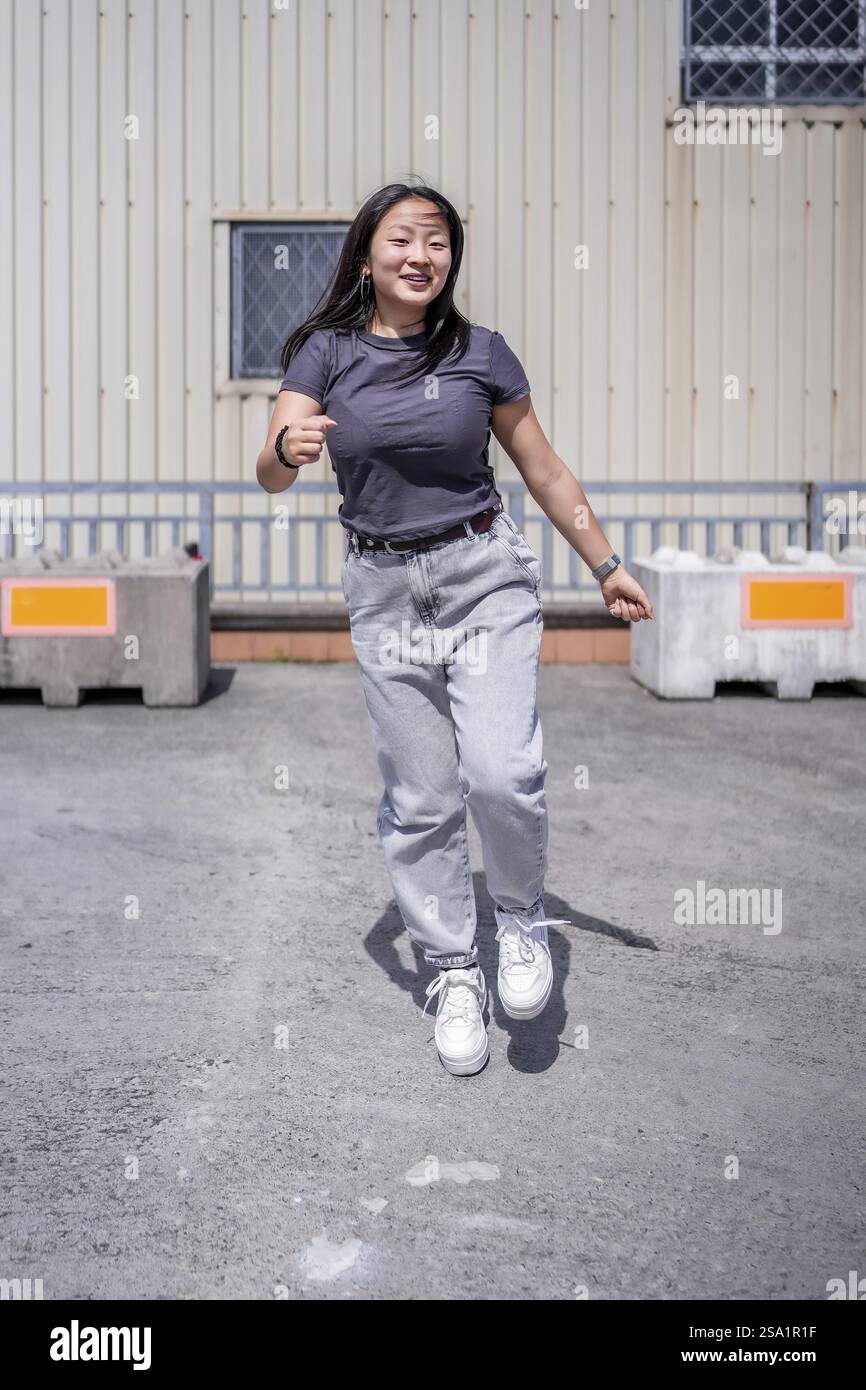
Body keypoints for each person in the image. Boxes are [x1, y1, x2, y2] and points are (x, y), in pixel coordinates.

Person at [257, 181, 653, 1077]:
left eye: (436, 241)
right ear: (368, 256)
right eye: (401, 239)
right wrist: (287, 449)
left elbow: (543, 469)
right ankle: (450, 969)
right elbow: (272, 465)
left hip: (484, 576)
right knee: (425, 797)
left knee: (504, 773)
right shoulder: (325, 354)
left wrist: (606, 563)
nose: (420, 256)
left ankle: (517, 917)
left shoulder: (482, 354)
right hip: (385, 588)